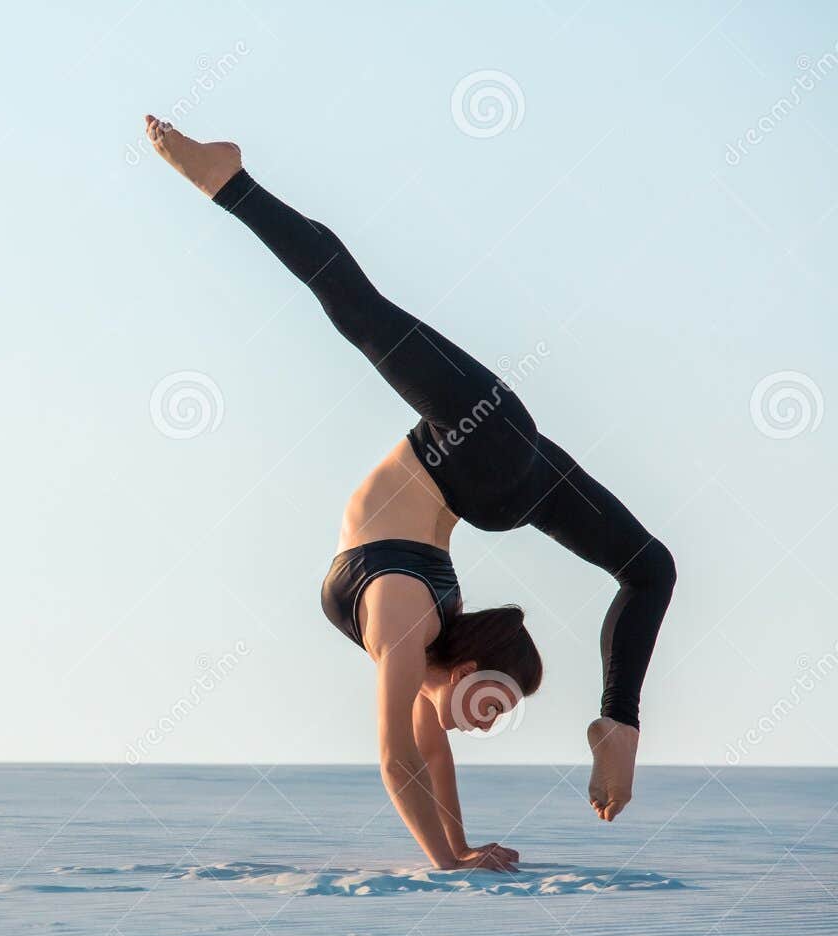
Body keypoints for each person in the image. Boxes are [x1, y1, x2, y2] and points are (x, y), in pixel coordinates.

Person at [145, 115, 675, 871]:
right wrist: (448, 860)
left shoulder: (414, 635)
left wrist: (457, 850)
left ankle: (617, 726)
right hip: (477, 451)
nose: (484, 726)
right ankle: (227, 180)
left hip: (489, 469)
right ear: (463, 670)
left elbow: (421, 751)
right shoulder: (404, 619)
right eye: (491, 707)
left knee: (651, 566)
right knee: (361, 311)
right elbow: (398, 758)